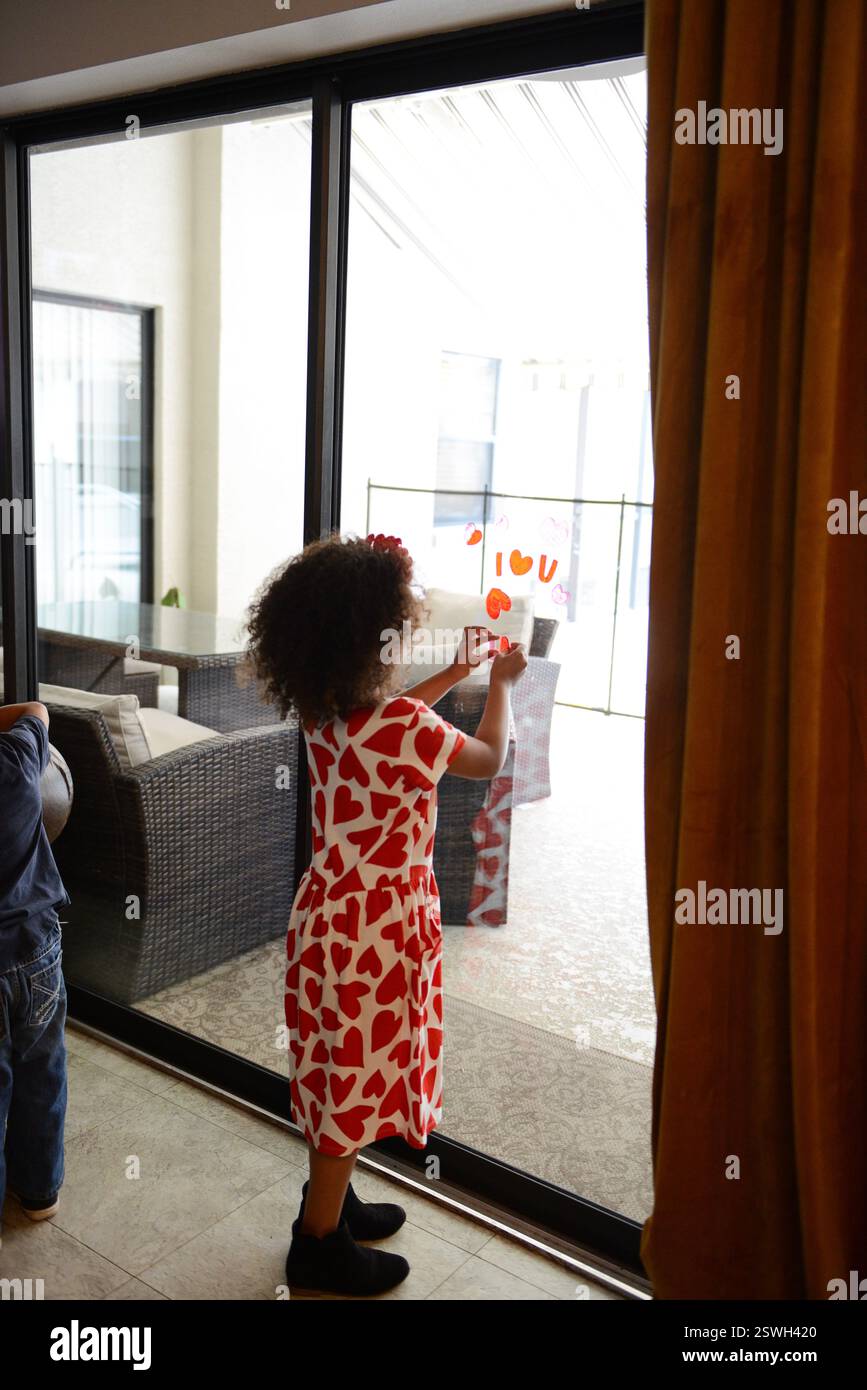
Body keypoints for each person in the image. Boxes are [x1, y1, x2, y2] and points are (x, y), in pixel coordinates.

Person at [245, 531, 527, 1296]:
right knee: (356, 1077)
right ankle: (317, 1246)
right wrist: (499, 685)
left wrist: (456, 671)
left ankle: (330, 1202)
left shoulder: (325, 707)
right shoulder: (403, 730)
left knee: (336, 1068)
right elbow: (486, 758)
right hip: (380, 926)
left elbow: (395, 718)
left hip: (329, 913)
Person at [0, 700, 71, 1249]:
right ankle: (39, 1191)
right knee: (42, 1071)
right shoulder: (15, 760)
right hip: (33, 953)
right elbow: (36, 710)